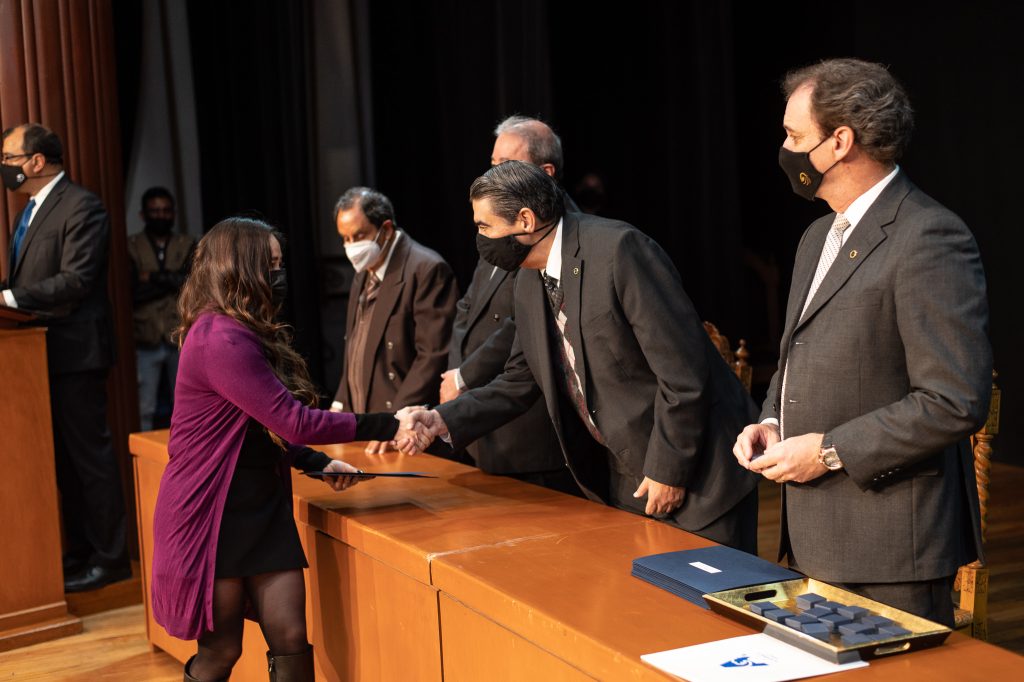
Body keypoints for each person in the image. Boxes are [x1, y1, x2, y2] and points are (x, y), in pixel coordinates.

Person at [733, 58, 991, 626]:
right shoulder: (816, 234)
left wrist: (828, 450)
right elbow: (798, 353)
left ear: (839, 141)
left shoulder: (930, 236)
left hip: (891, 549)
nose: (785, 148)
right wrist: (771, 420)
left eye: (795, 136)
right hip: (814, 536)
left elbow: (953, 402)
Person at [400, 161, 760, 552]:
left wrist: (669, 469)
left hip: (698, 474)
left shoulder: (619, 250)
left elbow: (685, 372)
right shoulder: (526, 279)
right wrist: (440, 419)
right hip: (627, 479)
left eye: (484, 226)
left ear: (524, 220)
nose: (480, 237)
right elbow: (520, 379)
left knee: (711, 607)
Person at [150, 217, 419, 681]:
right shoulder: (218, 338)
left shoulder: (239, 330)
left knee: (292, 638)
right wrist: (391, 422)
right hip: (215, 513)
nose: (278, 275)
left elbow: (257, 427)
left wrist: (316, 461)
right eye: (270, 265)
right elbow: (292, 420)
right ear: (242, 267)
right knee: (221, 651)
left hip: (262, 507)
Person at [1, 123, 129, 591]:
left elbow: (76, 280)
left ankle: (111, 558)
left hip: (77, 353)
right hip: (39, 356)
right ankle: (79, 553)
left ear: (37, 162)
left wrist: (9, 298)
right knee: (62, 463)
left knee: (88, 459)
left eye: (9, 159)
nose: (5, 169)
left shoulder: (82, 206)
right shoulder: (28, 212)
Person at [441, 116, 574, 493]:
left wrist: (465, 378)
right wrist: (456, 374)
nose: (494, 173)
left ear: (545, 172)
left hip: (526, 427)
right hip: (478, 409)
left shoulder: (561, 232)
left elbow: (523, 324)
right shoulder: (498, 221)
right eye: (493, 163)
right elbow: (468, 308)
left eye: (507, 165)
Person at [330, 187, 458, 453]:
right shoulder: (364, 271)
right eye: (345, 239)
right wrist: (340, 407)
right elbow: (354, 345)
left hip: (405, 429)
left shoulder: (426, 269)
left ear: (386, 229)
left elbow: (432, 355)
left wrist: (395, 423)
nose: (351, 247)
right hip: (367, 423)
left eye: (359, 236)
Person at [127, 186, 196, 430]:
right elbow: (132, 291)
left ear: (174, 214)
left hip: (180, 336)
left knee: (187, 405)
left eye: (166, 211)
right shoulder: (131, 246)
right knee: (144, 407)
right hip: (145, 337)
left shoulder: (186, 244)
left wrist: (152, 277)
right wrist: (171, 280)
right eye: (155, 211)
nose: (161, 215)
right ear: (143, 214)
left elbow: (190, 283)